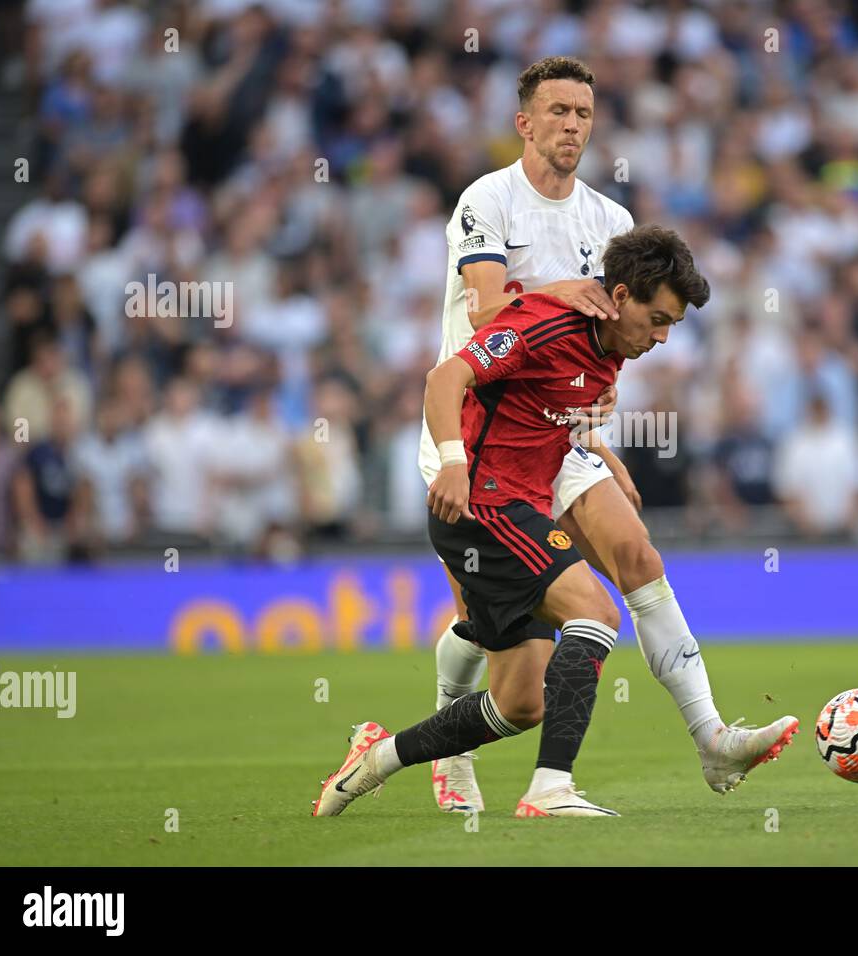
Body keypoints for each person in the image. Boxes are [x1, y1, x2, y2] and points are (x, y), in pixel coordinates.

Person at [314, 225, 797, 818]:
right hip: (484, 506)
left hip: (519, 509)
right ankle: (550, 789)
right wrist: (451, 463)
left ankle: (376, 758)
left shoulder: (611, 355)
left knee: (518, 703)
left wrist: (603, 454)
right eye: (660, 318)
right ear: (619, 298)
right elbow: (445, 379)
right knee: (596, 612)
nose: (665, 337)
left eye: (673, 324)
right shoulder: (543, 325)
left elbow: (548, 414)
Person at [419, 56, 796, 813]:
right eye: (557, 111)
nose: (571, 125)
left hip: (560, 437)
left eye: (583, 113)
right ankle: (448, 755)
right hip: (477, 436)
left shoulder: (610, 221)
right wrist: (561, 289)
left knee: (638, 556)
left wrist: (596, 441)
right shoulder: (486, 201)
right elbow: (492, 313)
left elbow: (607, 346)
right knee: (488, 632)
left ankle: (713, 739)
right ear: (524, 122)